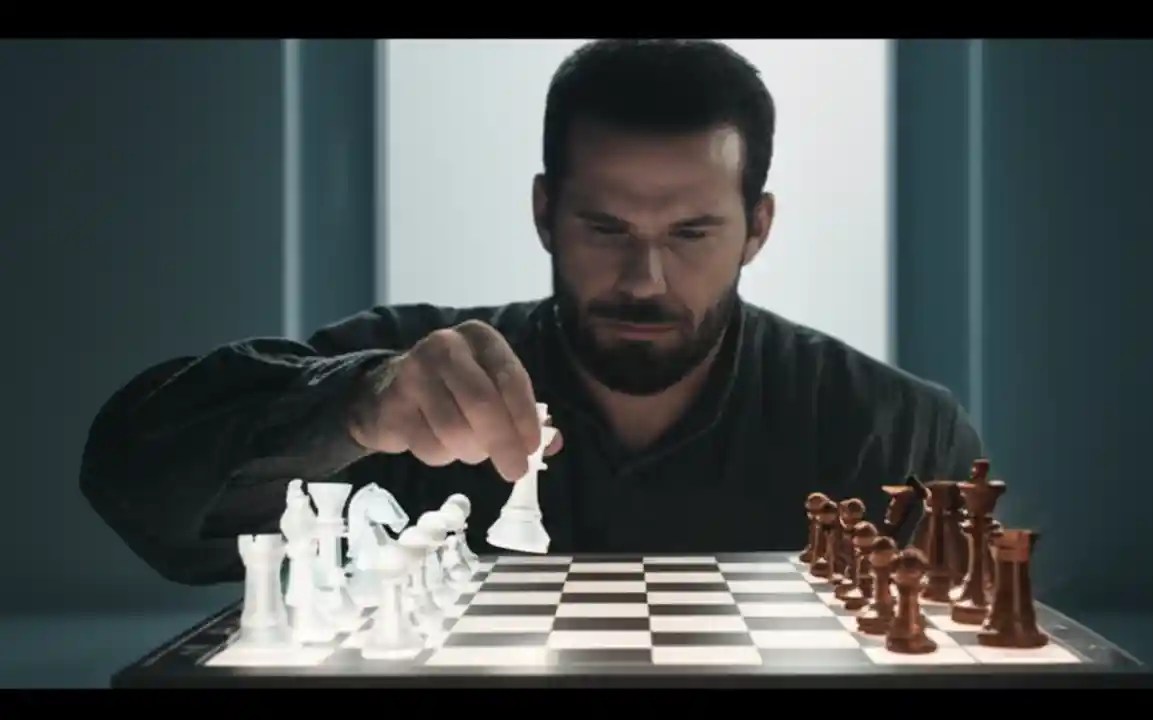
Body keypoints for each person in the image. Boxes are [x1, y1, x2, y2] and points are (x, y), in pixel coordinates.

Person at [80, 39, 984, 586]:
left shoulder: (892, 433)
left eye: (692, 231)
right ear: (545, 212)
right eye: (604, 226)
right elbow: (132, 483)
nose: (645, 277)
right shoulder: (407, 374)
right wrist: (354, 406)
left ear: (758, 227)